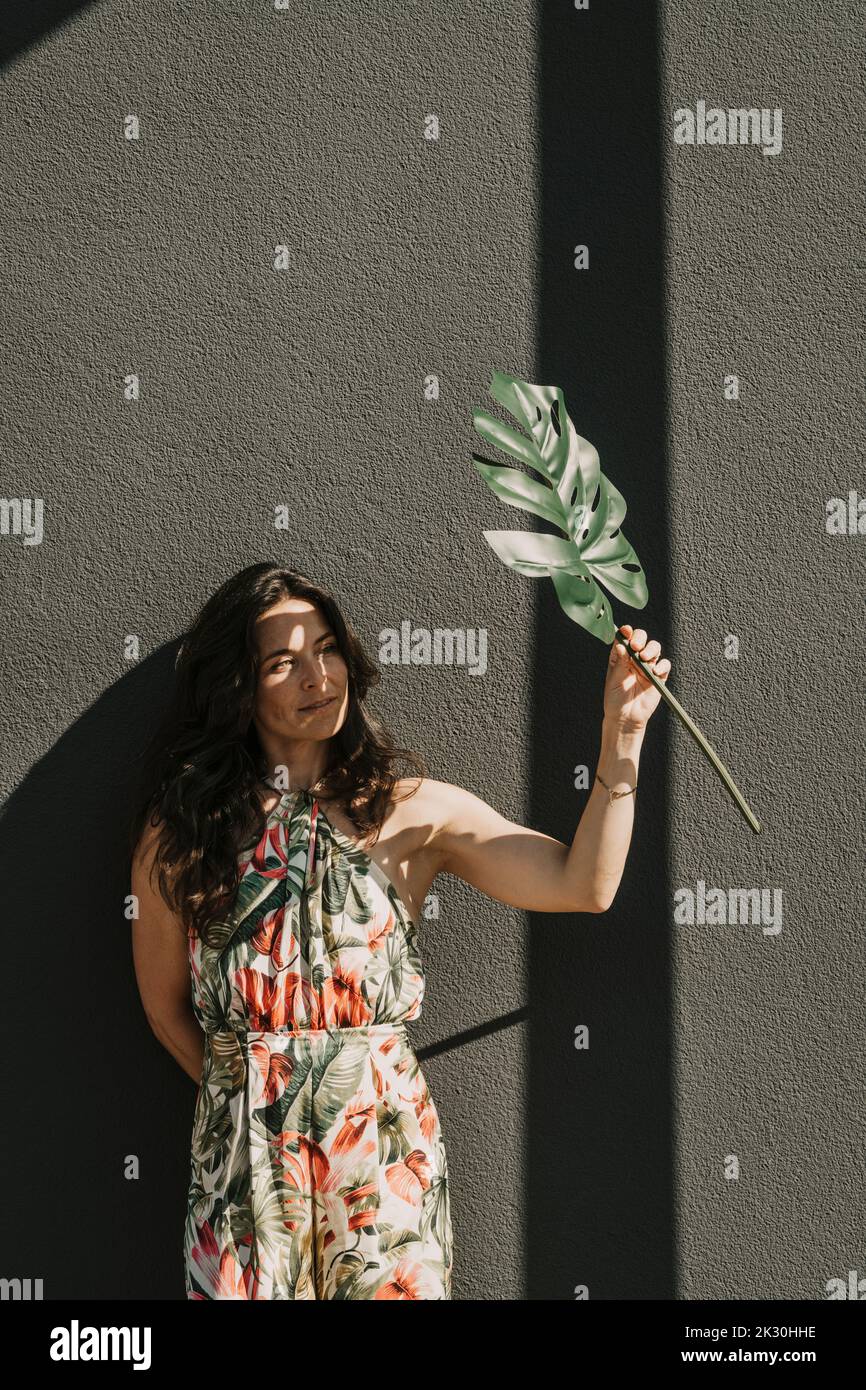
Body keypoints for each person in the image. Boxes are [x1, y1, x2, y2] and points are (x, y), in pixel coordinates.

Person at [129, 561, 670, 1300]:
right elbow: (164, 1008)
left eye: (327, 650)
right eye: (284, 662)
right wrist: (253, 1100)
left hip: (381, 1159)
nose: (317, 676)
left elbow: (585, 884)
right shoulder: (185, 830)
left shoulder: (411, 812)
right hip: (245, 1166)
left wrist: (623, 735)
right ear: (239, 686)